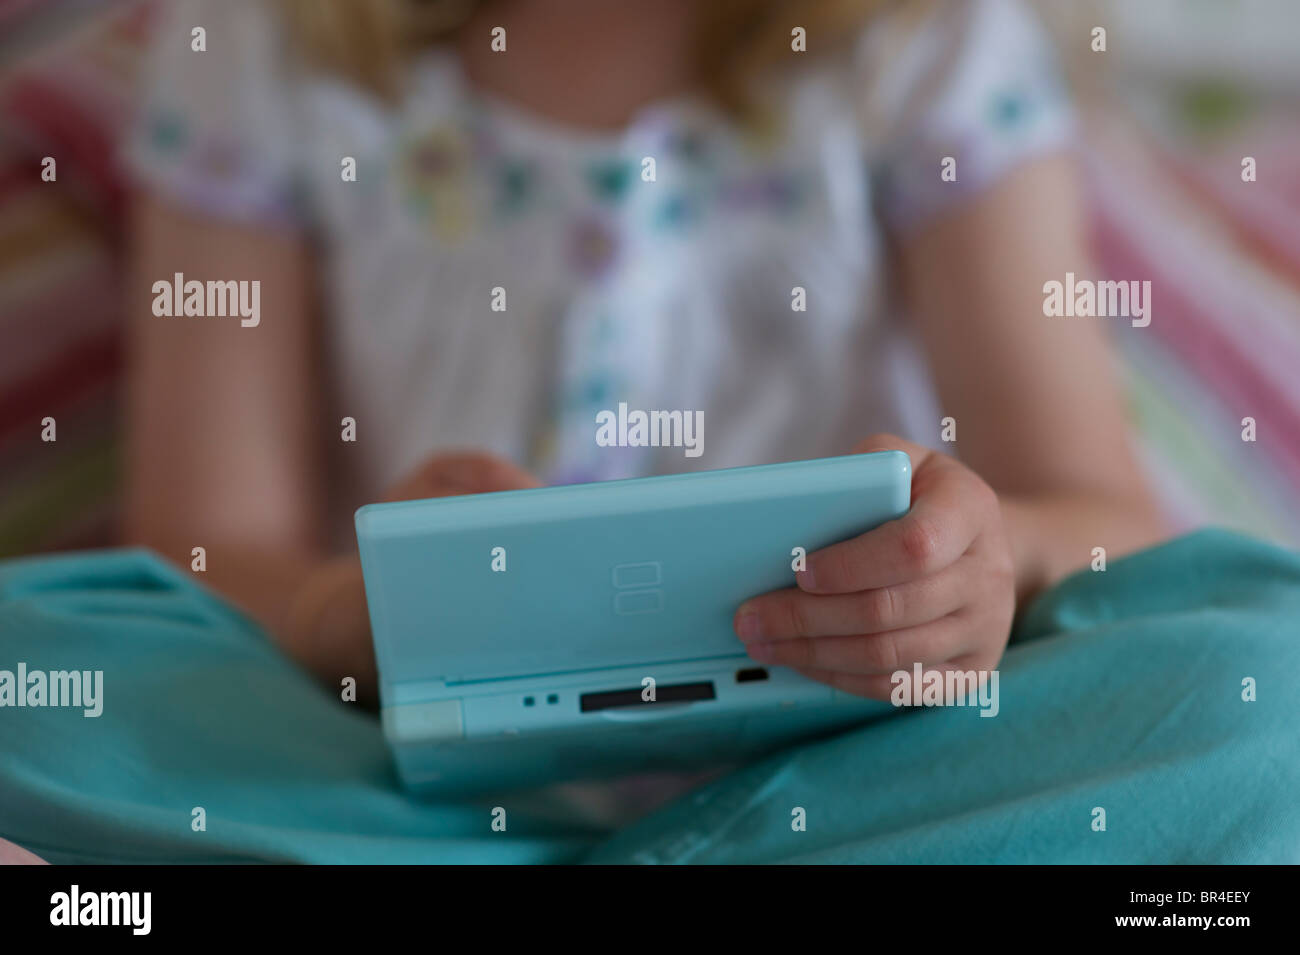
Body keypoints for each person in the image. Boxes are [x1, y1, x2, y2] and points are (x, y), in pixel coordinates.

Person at [124, 1, 1162, 737]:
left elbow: (1113, 527)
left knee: (1242, 673)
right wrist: (354, 613)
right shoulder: (259, 36)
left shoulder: (929, 40)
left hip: (859, 775)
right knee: (43, 667)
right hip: (402, 792)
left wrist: (984, 567)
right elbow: (196, 562)